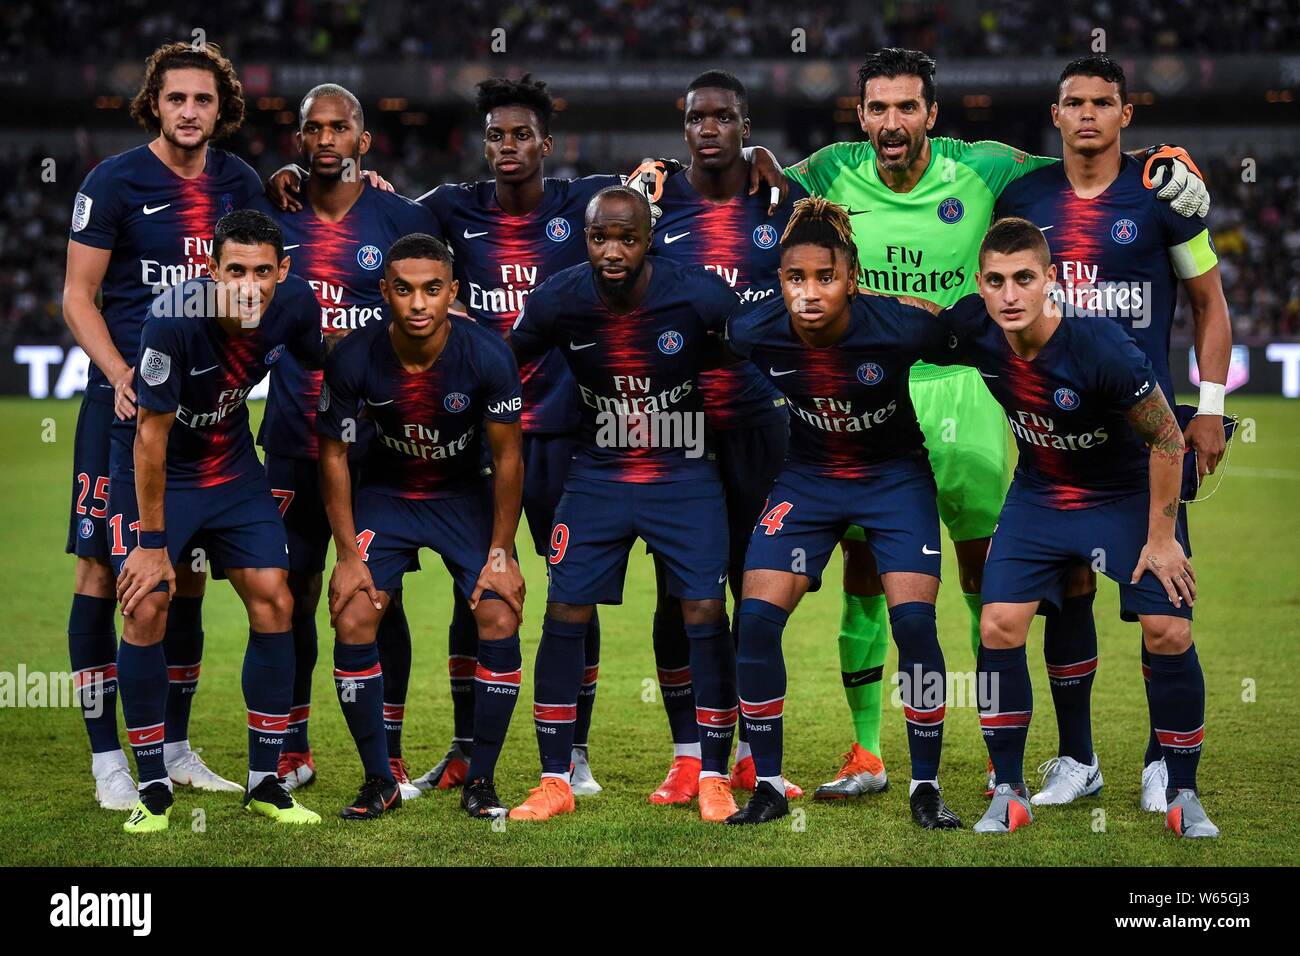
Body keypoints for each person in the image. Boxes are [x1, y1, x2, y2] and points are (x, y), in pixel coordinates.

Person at [776, 47, 1213, 799]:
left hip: (968, 390)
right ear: (860, 113)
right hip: (870, 393)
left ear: (932, 114)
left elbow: (1083, 145)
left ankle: (994, 749)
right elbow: (750, 180)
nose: (891, 121)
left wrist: (1160, 160)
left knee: (986, 575)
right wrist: (729, 156)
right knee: (865, 574)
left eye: (907, 106)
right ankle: (866, 751)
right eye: (877, 106)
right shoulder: (825, 171)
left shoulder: (984, 164)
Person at [922, 217, 1215, 838]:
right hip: (1041, 494)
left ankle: (1184, 792)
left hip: (1123, 494)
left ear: (1050, 280)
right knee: (999, 624)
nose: (1009, 295)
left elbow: (1166, 437)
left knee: (1166, 629)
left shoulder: (1099, 345)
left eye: (1024, 279)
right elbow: (911, 316)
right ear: (979, 284)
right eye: (996, 281)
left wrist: (1161, 539)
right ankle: (1008, 791)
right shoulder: (975, 326)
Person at [994, 54, 1232, 811]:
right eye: (1074, 102)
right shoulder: (1025, 197)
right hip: (1050, 446)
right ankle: (1076, 759)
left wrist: (1213, 404)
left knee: (1161, 612)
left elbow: (1209, 303)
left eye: (1104, 101)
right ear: (1055, 115)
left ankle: (1164, 759)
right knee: (1063, 598)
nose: (1088, 113)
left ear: (1127, 114)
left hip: (1142, 444)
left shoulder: (1166, 194)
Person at [62, 41, 262, 809]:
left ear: (221, 109)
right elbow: (79, 296)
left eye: (203, 100)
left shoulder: (239, 182)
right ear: (155, 103)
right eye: (176, 98)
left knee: (187, 580)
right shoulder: (112, 181)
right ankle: (108, 756)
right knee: (103, 571)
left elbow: (265, 268)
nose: (188, 111)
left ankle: (173, 746)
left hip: (206, 414)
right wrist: (119, 375)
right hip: (120, 404)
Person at [723, 198, 961, 829]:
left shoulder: (900, 327)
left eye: (824, 277)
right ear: (780, 280)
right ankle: (768, 785)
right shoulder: (753, 330)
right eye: (795, 278)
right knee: (754, 621)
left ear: (852, 276)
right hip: (810, 481)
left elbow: (979, 339)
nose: (809, 292)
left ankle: (926, 786)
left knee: (914, 626)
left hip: (894, 479)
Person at [508, 186, 740, 823]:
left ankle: (715, 773)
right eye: (599, 238)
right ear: (585, 238)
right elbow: (504, 362)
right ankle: (555, 778)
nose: (612, 251)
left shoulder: (697, 294)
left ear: (648, 240)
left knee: (701, 607)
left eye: (627, 239)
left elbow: (750, 345)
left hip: (684, 471)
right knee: (565, 610)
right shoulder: (559, 298)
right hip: (598, 472)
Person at [249, 83, 439, 797]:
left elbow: (433, 315)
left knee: (378, 595)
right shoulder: (271, 215)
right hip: (295, 437)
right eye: (312, 128)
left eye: (340, 127)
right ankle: (293, 744)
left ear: (364, 140)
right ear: (299, 141)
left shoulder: (401, 219)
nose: (326, 139)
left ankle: (385, 753)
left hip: (379, 449)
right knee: (290, 591)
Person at [108, 209, 324, 832]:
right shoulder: (171, 319)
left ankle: (265, 782)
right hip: (162, 476)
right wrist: (151, 546)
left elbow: (322, 363)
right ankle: (152, 784)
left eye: (263, 272)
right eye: (235, 271)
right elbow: (149, 438)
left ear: (283, 271)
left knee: (275, 599)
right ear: (212, 268)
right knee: (148, 602)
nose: (249, 286)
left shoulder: (295, 307)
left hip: (232, 471)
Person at [317, 233, 526, 820]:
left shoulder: (487, 354)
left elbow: (508, 459)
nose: (417, 304)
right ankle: (379, 779)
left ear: (452, 291)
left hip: (463, 496)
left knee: (498, 610)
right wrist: (346, 554)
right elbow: (332, 455)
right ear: (384, 292)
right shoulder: (354, 356)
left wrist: (502, 552)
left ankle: (481, 781)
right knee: (355, 611)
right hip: (388, 495)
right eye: (403, 290)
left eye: (432, 290)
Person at [639, 69, 805, 805]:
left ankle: (743, 752)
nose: (710, 129)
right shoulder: (651, 202)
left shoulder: (783, 201)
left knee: (754, 588)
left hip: (762, 421)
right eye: (698, 118)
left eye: (725, 118)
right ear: (684, 129)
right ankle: (685, 755)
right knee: (679, 589)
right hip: (675, 424)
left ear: (745, 124)